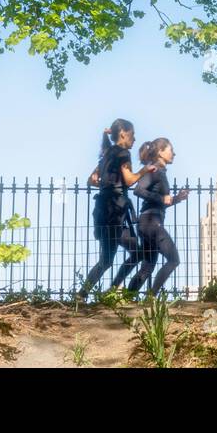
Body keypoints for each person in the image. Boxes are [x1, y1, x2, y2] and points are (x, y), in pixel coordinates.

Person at [76, 120, 156, 300]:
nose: (134, 139)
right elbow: (129, 180)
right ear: (123, 134)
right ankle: (111, 290)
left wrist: (106, 185)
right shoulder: (123, 153)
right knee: (136, 253)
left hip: (103, 211)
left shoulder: (105, 156)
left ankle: (84, 294)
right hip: (116, 213)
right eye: (132, 135)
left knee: (107, 260)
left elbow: (91, 180)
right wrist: (144, 170)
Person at [125, 138, 189, 297]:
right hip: (151, 223)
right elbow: (138, 190)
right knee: (174, 260)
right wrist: (162, 199)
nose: (174, 153)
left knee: (147, 267)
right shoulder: (155, 170)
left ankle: (126, 298)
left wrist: (176, 199)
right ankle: (151, 297)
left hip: (149, 222)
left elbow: (159, 202)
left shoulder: (160, 172)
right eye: (170, 149)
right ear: (160, 152)